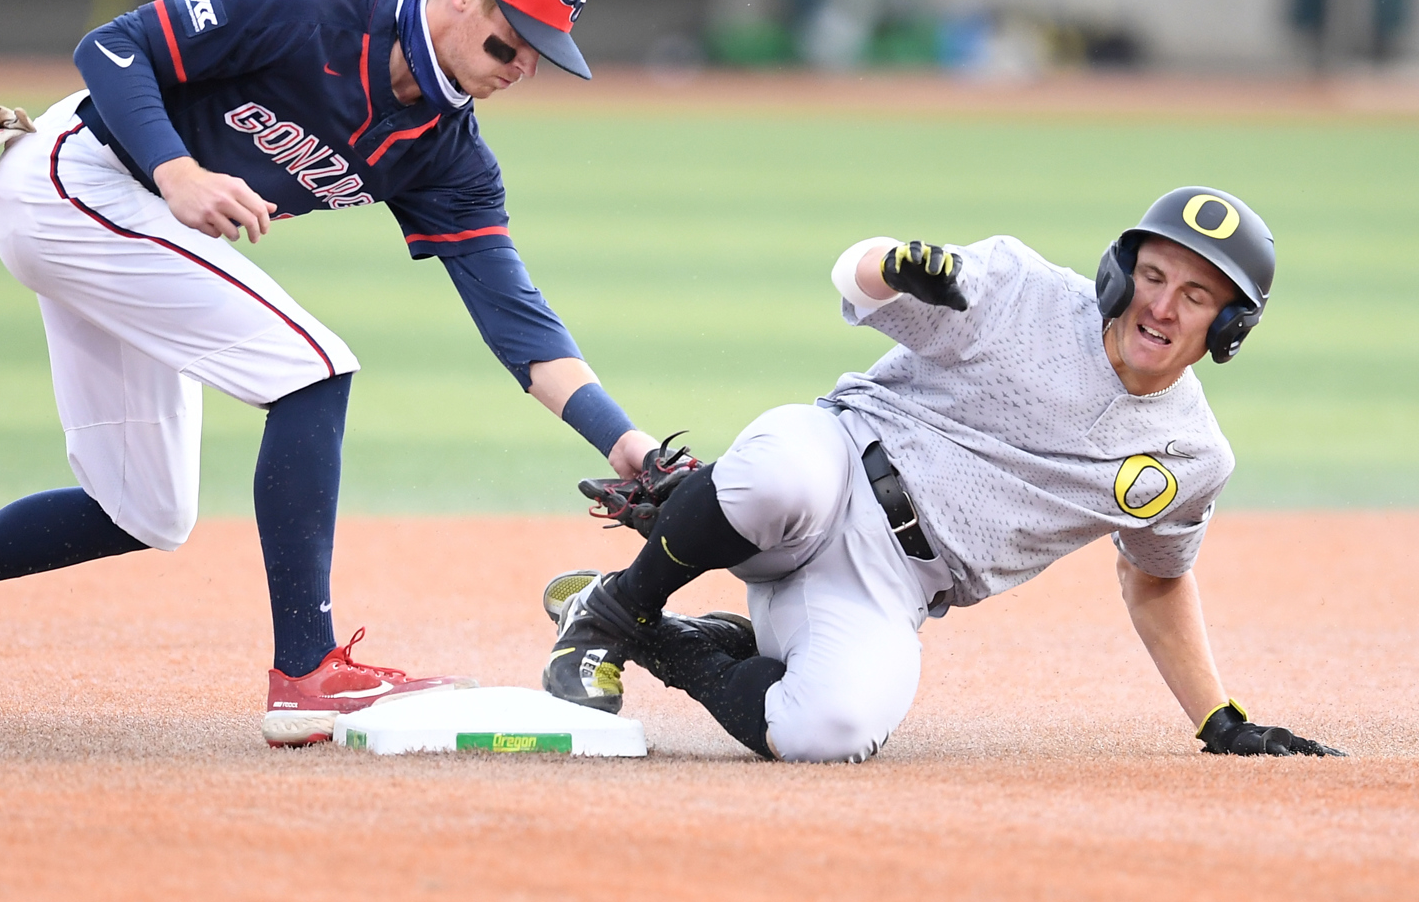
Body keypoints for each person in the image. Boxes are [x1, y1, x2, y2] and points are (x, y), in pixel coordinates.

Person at [0, 0, 662, 747]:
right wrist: (176, 172)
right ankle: (306, 672)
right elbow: (110, 46)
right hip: (78, 178)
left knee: (142, 508)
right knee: (313, 370)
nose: (521, 69)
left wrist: (624, 445)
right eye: (513, 42)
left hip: (125, 218)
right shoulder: (307, 5)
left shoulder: (450, 156)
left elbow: (516, 320)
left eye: (542, 57)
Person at [541, 187, 1345, 762]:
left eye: (1196, 295)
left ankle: (674, 644)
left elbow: (1157, 582)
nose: (1162, 306)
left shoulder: (1192, 458)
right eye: (1155, 275)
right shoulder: (1021, 292)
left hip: (890, 584)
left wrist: (1218, 719)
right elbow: (851, 277)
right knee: (777, 474)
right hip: (835, 468)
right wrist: (888, 263)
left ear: (1230, 327)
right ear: (1121, 271)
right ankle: (613, 613)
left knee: (830, 732)